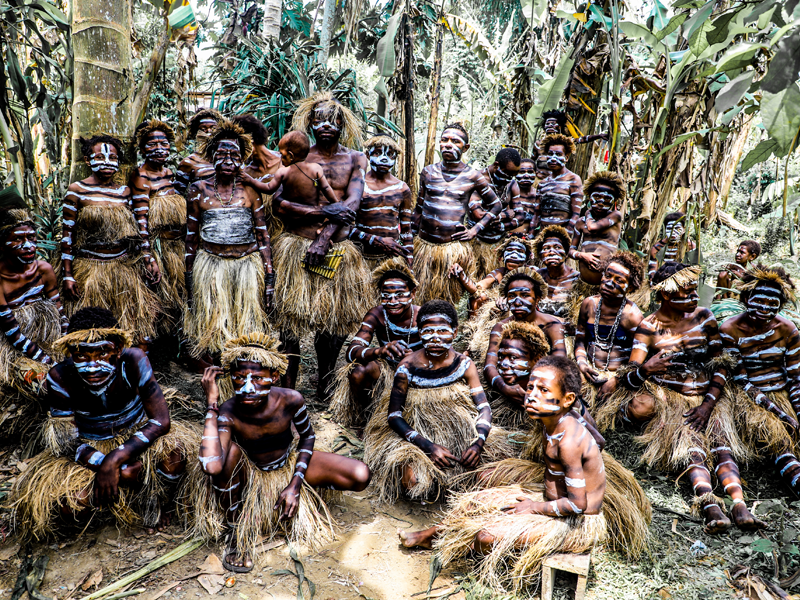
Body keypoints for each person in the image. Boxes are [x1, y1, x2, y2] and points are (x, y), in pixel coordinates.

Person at [397, 356, 649, 594]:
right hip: (548, 498)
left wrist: (534, 507)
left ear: (567, 399)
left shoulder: (569, 440)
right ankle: (435, 534)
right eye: (530, 388)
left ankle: (468, 553)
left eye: (544, 391)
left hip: (575, 521)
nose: (532, 396)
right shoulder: (552, 419)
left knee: (485, 536)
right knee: (475, 502)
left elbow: (578, 504)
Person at [596, 263, 762, 533]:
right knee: (692, 446)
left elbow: (722, 364)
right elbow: (628, 378)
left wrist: (709, 404)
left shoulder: (705, 317)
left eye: (694, 291)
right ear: (665, 295)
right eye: (686, 293)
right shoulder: (649, 327)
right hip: (673, 399)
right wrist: (645, 370)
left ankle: (739, 504)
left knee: (721, 443)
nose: (694, 298)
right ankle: (709, 505)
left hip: (710, 395)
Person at [186, 333, 370, 572]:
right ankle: (235, 529)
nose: (247, 387)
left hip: (286, 465)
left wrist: (295, 484)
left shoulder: (291, 399)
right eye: (239, 378)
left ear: (274, 377)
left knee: (360, 474)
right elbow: (211, 466)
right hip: (248, 476)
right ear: (230, 378)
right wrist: (212, 403)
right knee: (227, 454)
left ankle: (300, 498)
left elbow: (308, 436)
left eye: (258, 378)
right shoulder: (228, 411)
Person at [9, 307, 194, 538]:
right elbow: (66, 443)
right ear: (70, 353)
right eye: (82, 356)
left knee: (175, 455)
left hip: (137, 435)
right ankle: (121, 499)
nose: (92, 366)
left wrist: (114, 461)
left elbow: (161, 421)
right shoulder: (60, 376)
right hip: (91, 444)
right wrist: (105, 463)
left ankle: (159, 500)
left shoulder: (134, 360)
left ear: (117, 348)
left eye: (102, 354)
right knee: (71, 505)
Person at [271, 91, 373, 401]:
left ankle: (324, 383)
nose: (325, 125)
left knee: (334, 326)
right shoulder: (297, 158)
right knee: (289, 324)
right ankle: (288, 389)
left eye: (332, 120)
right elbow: (278, 203)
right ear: (311, 124)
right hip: (294, 247)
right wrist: (319, 212)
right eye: (319, 120)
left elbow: (351, 204)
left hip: (338, 250)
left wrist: (324, 237)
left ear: (342, 123)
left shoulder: (356, 159)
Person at [363, 300, 512, 503]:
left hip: (460, 429)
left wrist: (478, 443)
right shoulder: (406, 367)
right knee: (414, 483)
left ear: (455, 331)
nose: (435, 338)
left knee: (491, 474)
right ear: (419, 332)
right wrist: (427, 446)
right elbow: (394, 416)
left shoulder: (464, 365)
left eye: (442, 331)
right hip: (419, 432)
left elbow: (484, 407)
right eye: (427, 331)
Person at [184, 120, 273, 365]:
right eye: (221, 153)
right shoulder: (198, 189)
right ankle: (219, 378)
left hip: (246, 265)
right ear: (211, 156)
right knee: (215, 328)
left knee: (246, 327)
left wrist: (269, 277)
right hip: (211, 266)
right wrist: (190, 278)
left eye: (234, 154)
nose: (227, 159)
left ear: (242, 159)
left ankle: (244, 373)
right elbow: (191, 238)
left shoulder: (250, 190)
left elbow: (263, 236)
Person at [61, 135, 160, 346]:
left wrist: (147, 258)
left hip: (122, 267)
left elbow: (139, 230)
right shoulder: (77, 190)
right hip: (90, 269)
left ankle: (129, 363)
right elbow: (67, 236)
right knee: (94, 328)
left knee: (134, 325)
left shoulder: (124, 191)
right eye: (100, 157)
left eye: (113, 157)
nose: (107, 162)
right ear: (88, 161)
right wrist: (68, 275)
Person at [720, 266, 800, 494]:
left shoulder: (788, 329)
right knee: (776, 436)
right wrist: (780, 414)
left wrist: (796, 411)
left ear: (781, 305)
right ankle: (794, 475)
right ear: (746, 299)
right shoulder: (730, 329)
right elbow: (741, 380)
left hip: (782, 390)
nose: (765, 309)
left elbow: (796, 378)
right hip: (750, 396)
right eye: (759, 301)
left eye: (772, 303)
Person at [0, 194, 67, 438]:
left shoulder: (43, 269)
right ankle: (56, 432)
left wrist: (69, 342)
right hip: (17, 349)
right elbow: (12, 333)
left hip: (51, 339)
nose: (28, 246)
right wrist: (45, 359)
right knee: (48, 381)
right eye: (18, 240)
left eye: (32, 238)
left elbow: (59, 310)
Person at [413, 123, 501, 305]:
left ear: (465, 147)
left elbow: (496, 205)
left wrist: (474, 230)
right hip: (424, 247)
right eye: (444, 140)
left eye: (455, 141)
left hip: (451, 250)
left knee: (446, 298)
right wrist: (409, 239)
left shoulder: (473, 176)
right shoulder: (428, 172)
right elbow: (418, 209)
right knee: (419, 294)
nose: (448, 144)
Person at [329, 258, 421, 430]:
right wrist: (380, 351)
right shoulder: (377, 315)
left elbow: (442, 352)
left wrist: (415, 359)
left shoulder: (423, 317)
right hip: (388, 370)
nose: (393, 302)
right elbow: (351, 352)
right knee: (358, 371)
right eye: (386, 296)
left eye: (400, 295)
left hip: (419, 372)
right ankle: (368, 418)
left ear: (413, 293)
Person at [130, 120, 186, 331]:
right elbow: (140, 219)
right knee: (158, 300)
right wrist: (148, 257)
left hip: (176, 248)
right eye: (152, 145)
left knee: (178, 297)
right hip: (158, 248)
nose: (159, 149)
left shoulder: (169, 173)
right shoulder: (141, 177)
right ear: (142, 148)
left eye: (163, 144)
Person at [473, 267, 565, 390]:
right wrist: (505, 389)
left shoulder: (551, 325)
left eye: (525, 295)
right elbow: (490, 366)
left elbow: (560, 362)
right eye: (511, 296)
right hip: (507, 384)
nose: (517, 302)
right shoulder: (500, 327)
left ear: (537, 298)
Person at [574, 252, 644, 408]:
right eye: (607, 275)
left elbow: (638, 360)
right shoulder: (589, 304)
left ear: (630, 287)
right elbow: (579, 340)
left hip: (618, 376)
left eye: (619, 280)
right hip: (589, 368)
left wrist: (617, 380)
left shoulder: (632, 315)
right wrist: (582, 364)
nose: (609, 283)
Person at [348, 136, 414, 270]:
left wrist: (409, 261)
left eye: (390, 154)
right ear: (367, 155)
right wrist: (376, 240)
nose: (384, 158)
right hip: (361, 258)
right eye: (377, 153)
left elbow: (406, 230)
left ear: (396, 157)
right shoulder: (358, 185)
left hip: (390, 260)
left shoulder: (402, 188)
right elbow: (345, 227)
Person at [239, 131, 342, 207]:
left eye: (282, 155)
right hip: (312, 209)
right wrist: (336, 204)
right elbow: (326, 188)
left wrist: (250, 180)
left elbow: (269, 189)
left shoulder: (283, 171)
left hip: (293, 213)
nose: (280, 157)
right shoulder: (316, 168)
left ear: (291, 156)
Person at [467, 148, 523, 279]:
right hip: (476, 243)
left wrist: (502, 226)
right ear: (497, 165)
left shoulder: (512, 184)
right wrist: (505, 215)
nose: (509, 179)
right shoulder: (478, 179)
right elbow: (478, 215)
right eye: (507, 174)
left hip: (498, 245)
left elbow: (521, 216)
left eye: (513, 175)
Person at [449, 236, 534, 317]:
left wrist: (510, 301)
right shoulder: (499, 273)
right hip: (501, 309)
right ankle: (473, 329)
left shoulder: (532, 273)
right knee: (479, 298)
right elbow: (476, 289)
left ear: (526, 258)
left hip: (525, 309)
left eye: (519, 251)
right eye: (509, 250)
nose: (513, 255)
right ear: (503, 256)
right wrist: (461, 274)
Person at [568, 171, 624, 286]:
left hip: (607, 285)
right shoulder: (580, 222)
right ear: (589, 197)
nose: (601, 202)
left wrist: (588, 213)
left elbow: (592, 227)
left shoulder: (615, 217)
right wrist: (583, 255)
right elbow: (570, 251)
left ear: (614, 201)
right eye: (597, 196)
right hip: (584, 284)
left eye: (607, 198)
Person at [528, 134, 583, 237]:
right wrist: (530, 237)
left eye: (558, 154)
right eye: (550, 154)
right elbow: (536, 215)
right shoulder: (542, 184)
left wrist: (566, 237)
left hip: (562, 237)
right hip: (543, 237)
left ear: (566, 158)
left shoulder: (573, 180)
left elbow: (575, 215)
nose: (553, 158)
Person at [174, 108, 224, 196]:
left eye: (213, 128)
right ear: (196, 132)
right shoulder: (189, 162)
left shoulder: (231, 159)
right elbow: (178, 196)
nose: (209, 132)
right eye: (203, 128)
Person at [534, 225, 579, 320]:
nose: (551, 252)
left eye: (557, 247)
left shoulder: (577, 279)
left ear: (566, 254)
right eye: (546, 248)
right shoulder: (535, 277)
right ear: (541, 256)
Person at [647, 211, 696, 281]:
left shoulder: (691, 246)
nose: (673, 232)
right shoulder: (658, 247)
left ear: (684, 229)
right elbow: (653, 269)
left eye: (677, 229)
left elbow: (695, 268)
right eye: (669, 229)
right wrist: (653, 281)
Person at [506, 158, 537, 235]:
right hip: (509, 240)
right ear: (515, 174)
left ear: (536, 173)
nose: (526, 175)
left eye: (530, 172)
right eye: (522, 172)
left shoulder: (539, 196)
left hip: (531, 241)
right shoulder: (508, 194)